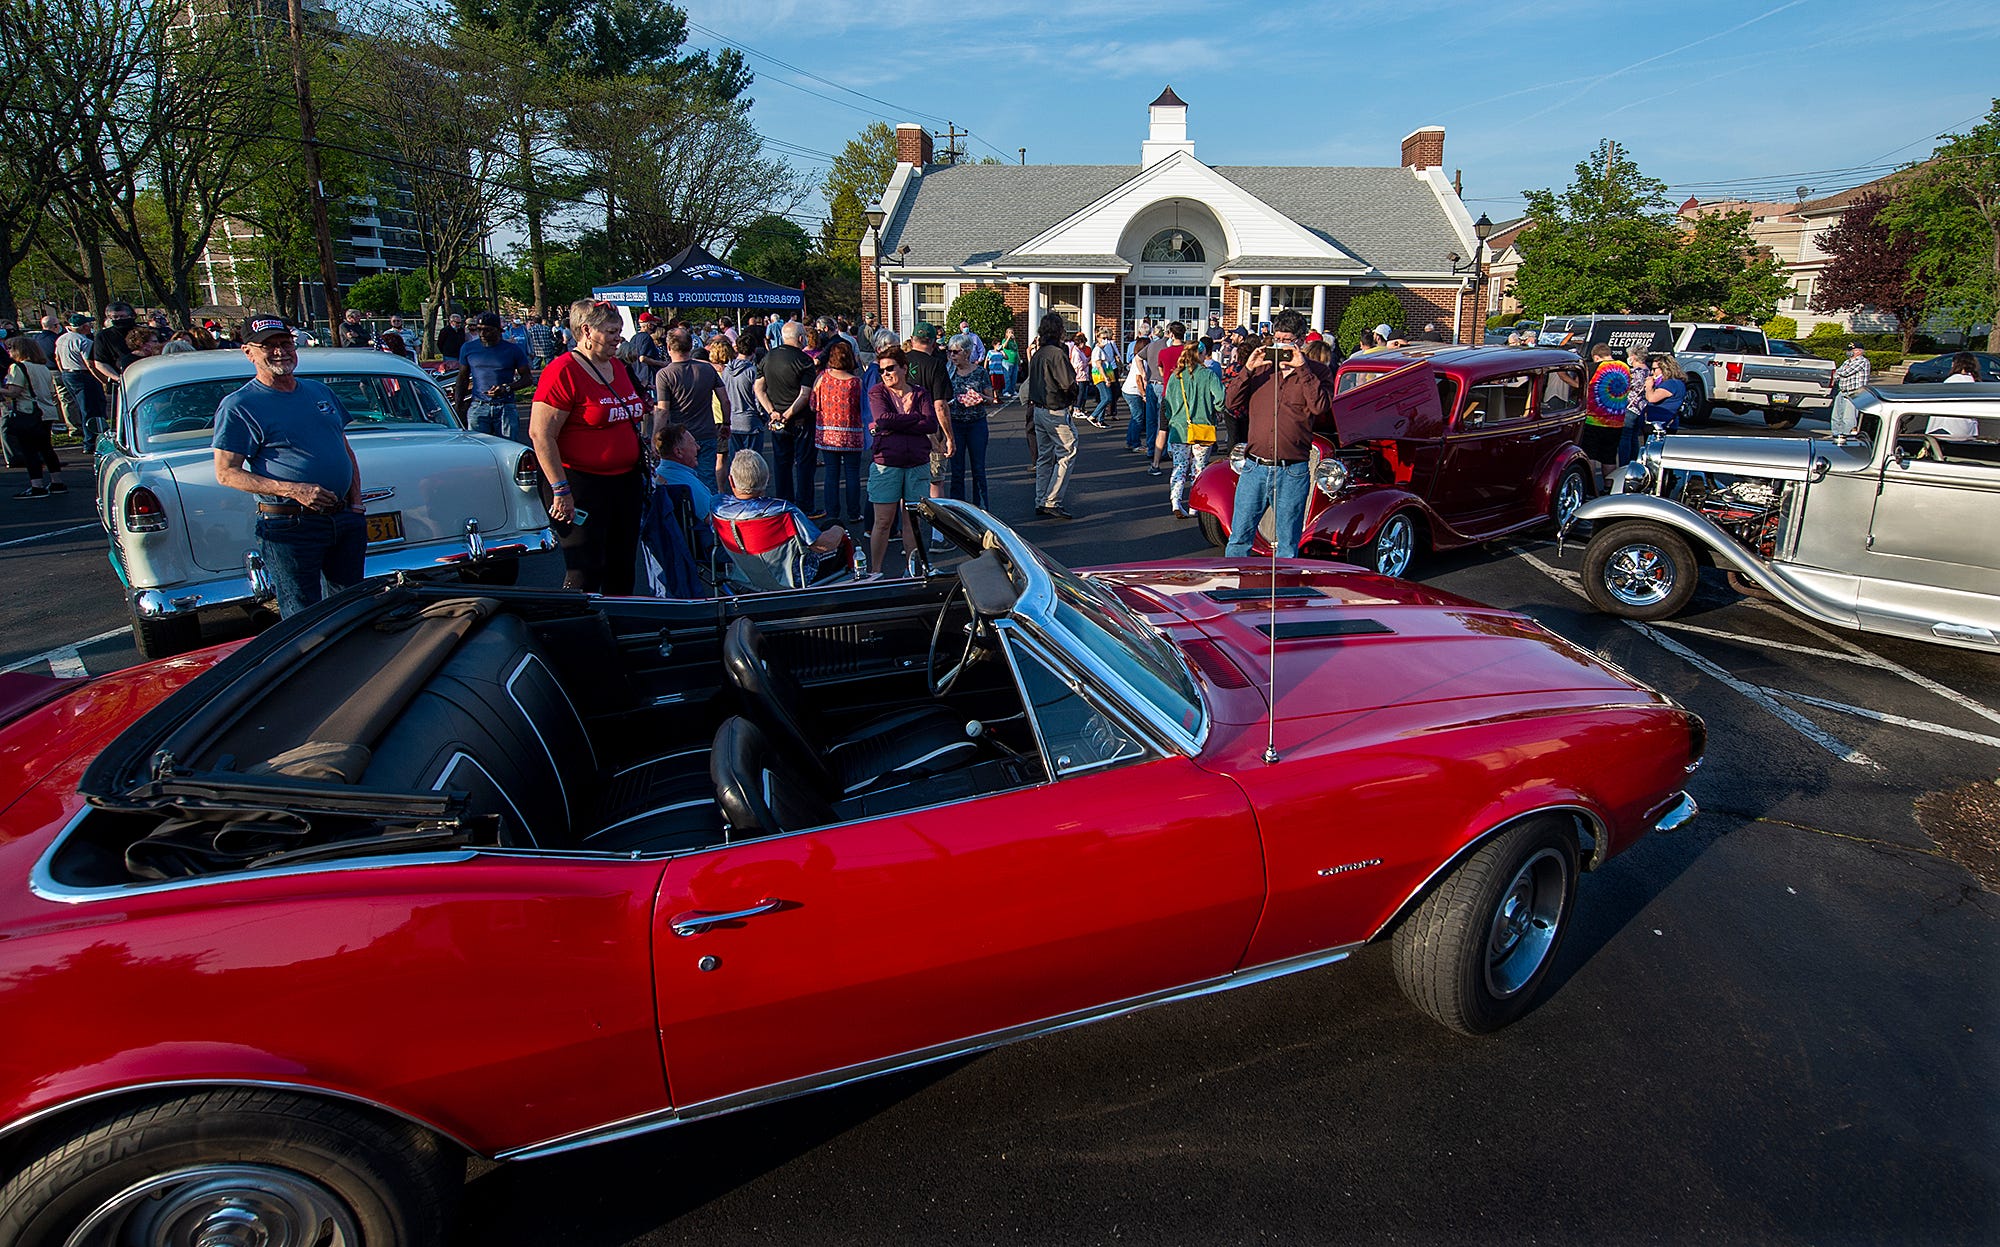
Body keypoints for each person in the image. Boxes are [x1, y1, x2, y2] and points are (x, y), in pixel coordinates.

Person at [211, 318, 366, 616]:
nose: (280, 351)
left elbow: (344, 449)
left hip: (343, 518)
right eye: (268, 346)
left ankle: (353, 662)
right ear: (248, 352)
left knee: (353, 607)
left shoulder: (319, 392)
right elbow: (226, 473)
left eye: (285, 343)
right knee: (302, 614)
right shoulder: (240, 405)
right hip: (290, 524)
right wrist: (294, 490)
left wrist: (356, 504)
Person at [529, 299, 648, 595]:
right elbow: (540, 434)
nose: (618, 338)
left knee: (622, 566)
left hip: (625, 482)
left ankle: (620, 629)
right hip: (580, 484)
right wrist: (560, 489)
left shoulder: (619, 367)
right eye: (610, 331)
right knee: (586, 568)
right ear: (586, 331)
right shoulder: (563, 371)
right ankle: (581, 633)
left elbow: (641, 408)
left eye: (618, 330)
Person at [1224, 308, 1334, 558]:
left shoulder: (1318, 372)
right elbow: (1230, 403)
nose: (1281, 345)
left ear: (1301, 340)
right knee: (1239, 537)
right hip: (1254, 467)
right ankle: (1235, 591)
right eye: (1277, 339)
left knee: (1287, 543)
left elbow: (1320, 406)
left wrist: (1302, 367)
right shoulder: (1261, 369)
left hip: (1292, 470)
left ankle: (1283, 593)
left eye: (1288, 340)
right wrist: (1248, 369)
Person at [713, 450, 848, 586]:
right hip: (788, 577)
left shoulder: (718, 506)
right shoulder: (782, 510)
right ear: (767, 479)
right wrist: (839, 529)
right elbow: (820, 545)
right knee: (834, 529)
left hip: (743, 573)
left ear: (731, 480)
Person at [864, 344, 936, 576]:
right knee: (883, 522)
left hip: (917, 463)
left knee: (912, 523)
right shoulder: (877, 392)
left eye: (890, 368)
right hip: (887, 462)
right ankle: (875, 571)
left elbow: (931, 424)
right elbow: (882, 419)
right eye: (882, 370)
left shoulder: (921, 393)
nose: (885, 374)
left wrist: (897, 422)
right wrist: (914, 419)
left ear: (904, 368)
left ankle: (912, 570)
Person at [755, 320, 819, 510]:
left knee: (781, 463)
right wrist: (788, 414)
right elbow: (805, 394)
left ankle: (784, 503)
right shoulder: (804, 360)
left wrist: (772, 412)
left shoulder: (768, 358)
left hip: (777, 420)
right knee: (804, 464)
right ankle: (805, 505)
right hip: (800, 420)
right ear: (800, 338)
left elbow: (759, 388)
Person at [1161, 337, 1223, 519]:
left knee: (1179, 466)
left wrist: (1171, 418)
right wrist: (1217, 410)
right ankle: (1194, 505)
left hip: (1179, 428)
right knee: (1199, 467)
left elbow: (1167, 404)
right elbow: (1220, 397)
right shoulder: (1209, 375)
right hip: (1203, 426)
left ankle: (1175, 500)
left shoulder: (1175, 376)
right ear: (1201, 354)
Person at [904, 322, 955, 540]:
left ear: (912, 339)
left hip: (903, 427)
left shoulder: (898, 363)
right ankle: (938, 534)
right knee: (936, 480)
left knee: (905, 481)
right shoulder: (936, 365)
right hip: (930, 429)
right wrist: (949, 437)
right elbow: (940, 405)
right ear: (934, 342)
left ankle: (904, 531)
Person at [1026, 311, 1080, 520]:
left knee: (1044, 457)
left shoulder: (1039, 353)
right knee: (1067, 452)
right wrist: (1073, 396)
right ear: (1058, 330)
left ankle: (1041, 499)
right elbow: (1067, 383)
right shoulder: (1056, 354)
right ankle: (1052, 499)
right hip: (1054, 409)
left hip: (1038, 409)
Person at [652, 328, 726, 476]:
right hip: (706, 432)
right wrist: (726, 423)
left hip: (679, 437)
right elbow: (724, 399)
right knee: (707, 479)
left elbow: (663, 410)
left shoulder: (665, 374)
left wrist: (656, 437)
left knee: (681, 478)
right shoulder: (707, 369)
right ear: (691, 346)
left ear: (668, 347)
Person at [812, 337, 867, 527]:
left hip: (827, 434)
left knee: (831, 475)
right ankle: (854, 512)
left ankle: (832, 513)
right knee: (852, 474)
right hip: (852, 433)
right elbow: (864, 408)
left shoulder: (822, 379)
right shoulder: (856, 382)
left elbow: (813, 405)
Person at [453, 312, 534, 443]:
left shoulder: (512, 350)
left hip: (505, 407)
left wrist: (507, 388)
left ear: (499, 330)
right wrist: (458, 405)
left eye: (487, 330)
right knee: (478, 448)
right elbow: (462, 378)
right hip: (478, 406)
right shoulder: (468, 348)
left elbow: (527, 379)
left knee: (508, 447)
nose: (482, 334)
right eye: (479, 330)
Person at [2, 339, 64, 499]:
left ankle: (37, 485)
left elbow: (15, 391)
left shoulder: (18, 367)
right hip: (47, 411)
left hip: (28, 411)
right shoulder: (42, 368)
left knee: (29, 450)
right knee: (46, 448)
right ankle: (57, 481)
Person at [945, 332, 992, 510]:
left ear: (966, 352)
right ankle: (957, 509)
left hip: (976, 424)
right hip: (955, 423)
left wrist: (978, 396)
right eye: (950, 352)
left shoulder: (980, 372)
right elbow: (942, 398)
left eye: (956, 352)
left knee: (978, 469)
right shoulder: (948, 371)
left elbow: (990, 398)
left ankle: (981, 509)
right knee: (956, 470)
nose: (952, 355)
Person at [1579, 343, 1628, 492]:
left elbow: (1580, 386)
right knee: (1609, 456)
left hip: (1594, 419)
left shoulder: (1594, 368)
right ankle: (1609, 488)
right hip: (1617, 420)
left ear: (1596, 357)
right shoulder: (1624, 367)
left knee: (1590, 455)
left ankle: (1591, 487)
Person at [651, 421, 716, 520]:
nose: (698, 448)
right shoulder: (687, 484)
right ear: (678, 452)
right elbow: (710, 519)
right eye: (693, 444)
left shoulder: (656, 477)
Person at [53, 313, 98, 439]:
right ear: (84, 326)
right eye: (89, 324)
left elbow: (57, 357)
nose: (90, 327)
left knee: (75, 405)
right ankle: (90, 439)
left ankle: (82, 432)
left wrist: (63, 371)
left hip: (67, 373)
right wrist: (99, 378)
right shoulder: (84, 341)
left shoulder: (61, 339)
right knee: (88, 409)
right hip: (82, 374)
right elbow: (89, 363)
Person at [722, 334, 764, 458]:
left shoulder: (726, 371)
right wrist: (763, 416)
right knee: (753, 463)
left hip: (733, 420)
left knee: (736, 463)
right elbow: (758, 398)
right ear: (754, 350)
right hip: (751, 421)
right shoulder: (753, 371)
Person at [1927, 353, 1981, 437]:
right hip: (1966, 428)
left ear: (1956, 364)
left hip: (1946, 427)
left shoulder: (1952, 381)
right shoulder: (1974, 381)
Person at [1617, 342, 1652, 468]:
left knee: (1625, 437)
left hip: (1631, 407)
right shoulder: (1648, 371)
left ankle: (1624, 466)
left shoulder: (1634, 372)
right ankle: (1634, 464)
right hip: (1642, 408)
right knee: (1634, 437)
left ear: (1634, 357)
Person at [1640, 354, 1688, 435]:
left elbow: (1652, 398)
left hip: (1661, 424)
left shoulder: (1671, 384)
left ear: (1665, 368)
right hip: (1656, 423)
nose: (1652, 372)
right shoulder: (1673, 382)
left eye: (1654, 369)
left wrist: (1649, 386)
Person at [1831, 343, 1870, 436]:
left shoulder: (1862, 361)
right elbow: (1836, 374)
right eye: (1849, 350)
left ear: (1859, 351)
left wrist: (1841, 372)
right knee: (1836, 416)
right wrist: (1839, 373)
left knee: (1848, 418)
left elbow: (1845, 372)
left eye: (1852, 350)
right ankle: (1836, 435)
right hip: (1842, 391)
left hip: (1854, 392)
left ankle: (1846, 436)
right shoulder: (1846, 362)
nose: (1849, 352)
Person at [1120, 332, 1152, 452]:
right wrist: (1143, 394)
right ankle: (1135, 444)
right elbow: (1138, 379)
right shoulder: (1139, 360)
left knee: (1135, 417)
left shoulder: (1139, 359)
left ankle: (1130, 441)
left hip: (1129, 390)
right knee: (1138, 417)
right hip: (1133, 391)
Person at [1088, 330, 1121, 428]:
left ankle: (1100, 420)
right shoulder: (1097, 350)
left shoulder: (1103, 349)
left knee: (1104, 398)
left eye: (1107, 338)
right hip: (1100, 376)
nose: (1105, 340)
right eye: (1103, 338)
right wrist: (1106, 378)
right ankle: (1093, 416)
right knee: (1108, 397)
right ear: (1098, 338)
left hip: (1107, 374)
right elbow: (1099, 365)